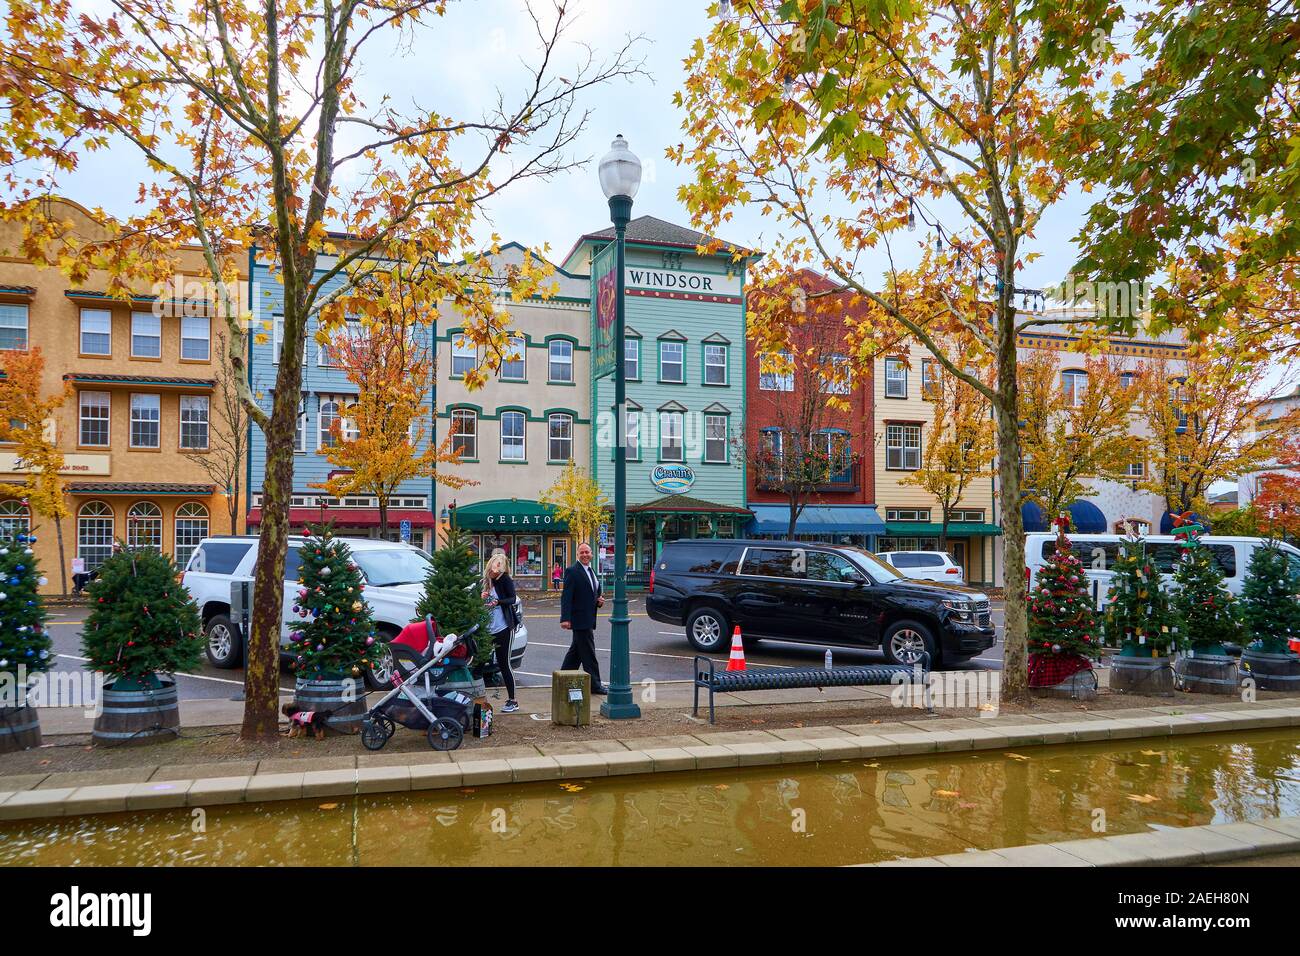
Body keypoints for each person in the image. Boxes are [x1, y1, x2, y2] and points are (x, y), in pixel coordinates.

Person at [559, 541, 606, 694]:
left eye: (587, 552)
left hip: (588, 618)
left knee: (576, 652)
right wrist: (565, 618)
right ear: (577, 554)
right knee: (589, 653)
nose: (585, 555)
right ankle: (595, 685)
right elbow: (566, 596)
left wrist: (598, 601)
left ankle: (562, 679)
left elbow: (593, 593)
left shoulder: (591, 571)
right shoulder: (572, 571)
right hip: (579, 619)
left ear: (592, 554)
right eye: (582, 552)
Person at [481, 552, 520, 713]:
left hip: (503, 628)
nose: (496, 567)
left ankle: (513, 700)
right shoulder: (485, 581)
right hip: (487, 628)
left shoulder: (505, 580)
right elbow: (479, 601)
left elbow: (512, 598)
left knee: (504, 663)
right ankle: (477, 697)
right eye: (494, 563)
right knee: (479, 662)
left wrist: (498, 602)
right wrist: (482, 597)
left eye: (499, 564)